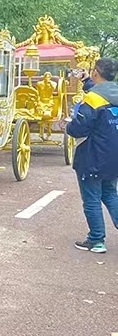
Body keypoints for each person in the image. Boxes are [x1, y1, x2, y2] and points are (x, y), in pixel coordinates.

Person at [65, 58, 118, 253]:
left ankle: (96, 240)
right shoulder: (112, 93)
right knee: (110, 193)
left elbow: (79, 128)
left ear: (96, 72)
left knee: (92, 198)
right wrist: (87, 82)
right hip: (114, 156)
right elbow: (103, 98)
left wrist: (68, 125)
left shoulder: (92, 99)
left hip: (94, 156)